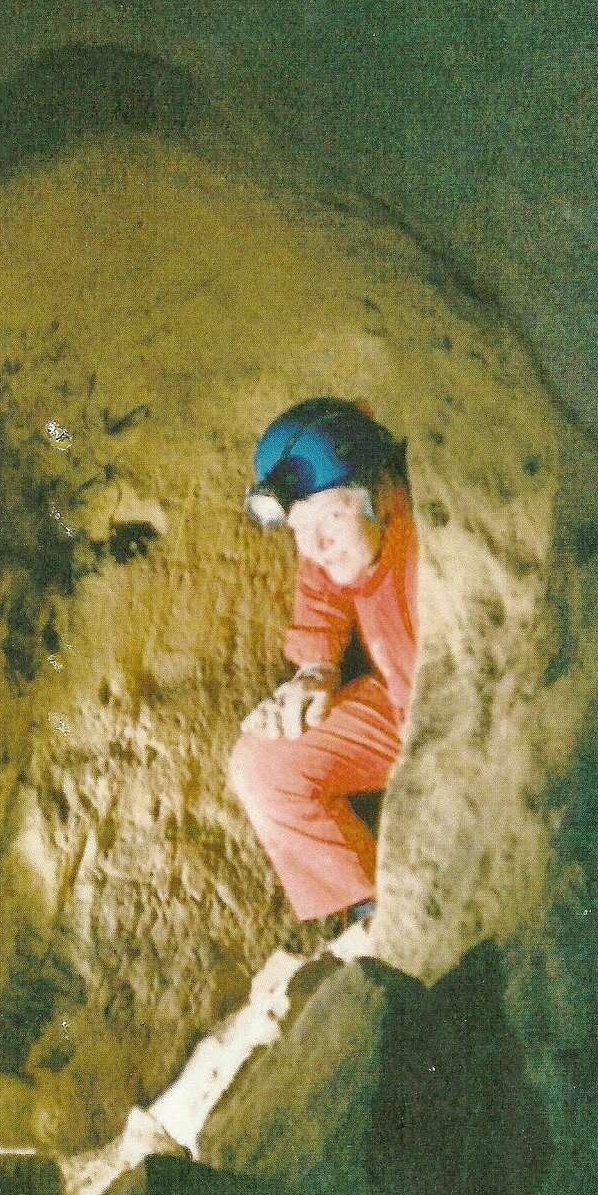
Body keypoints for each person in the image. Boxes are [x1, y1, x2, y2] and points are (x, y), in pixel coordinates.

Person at [228, 397, 419, 926]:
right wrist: (315, 669)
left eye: (330, 520)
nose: (314, 545)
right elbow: (324, 584)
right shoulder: (344, 539)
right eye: (297, 529)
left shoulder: (431, 542)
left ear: (384, 494)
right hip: (400, 705)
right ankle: (372, 921)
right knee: (263, 766)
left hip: (465, 720)